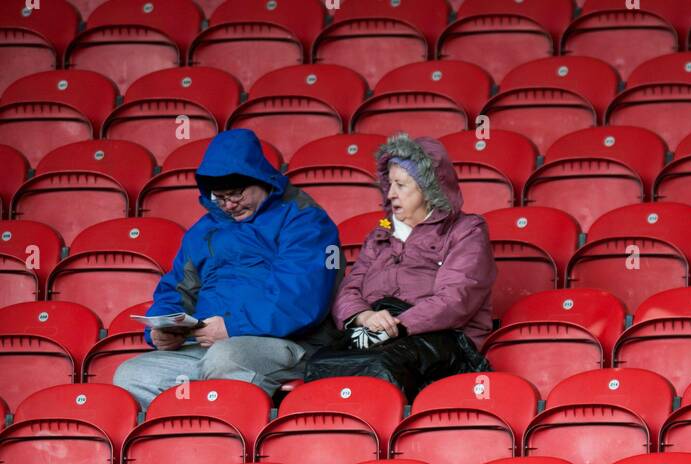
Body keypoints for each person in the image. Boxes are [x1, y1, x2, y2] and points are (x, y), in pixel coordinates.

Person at [114, 129, 341, 410]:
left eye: (235, 194)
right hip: (207, 346)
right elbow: (177, 288)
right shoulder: (204, 230)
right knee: (132, 374)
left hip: (287, 344)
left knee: (225, 359)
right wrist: (161, 329)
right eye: (219, 197)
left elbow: (302, 298)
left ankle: (222, 439)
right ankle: (196, 436)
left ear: (261, 179)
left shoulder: (304, 219)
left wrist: (233, 326)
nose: (229, 205)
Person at [300, 132, 496, 399]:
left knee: (379, 369)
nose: (390, 194)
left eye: (401, 185)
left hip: (441, 338)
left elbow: (455, 299)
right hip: (375, 333)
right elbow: (349, 288)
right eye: (389, 184)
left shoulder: (466, 230)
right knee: (319, 366)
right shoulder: (381, 232)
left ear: (429, 190)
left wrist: (396, 324)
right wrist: (364, 317)